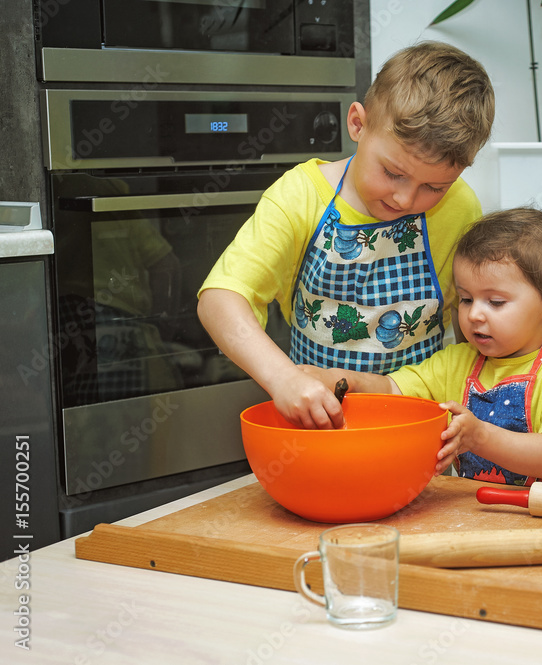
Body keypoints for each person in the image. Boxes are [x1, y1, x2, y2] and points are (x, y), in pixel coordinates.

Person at [197, 41, 495, 430]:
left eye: (433, 188)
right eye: (393, 172)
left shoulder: (460, 207)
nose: (406, 199)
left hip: (418, 424)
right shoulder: (300, 197)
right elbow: (220, 299)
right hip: (320, 424)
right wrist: (283, 378)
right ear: (358, 123)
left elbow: (471, 323)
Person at [302, 206, 542, 486]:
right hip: (483, 518)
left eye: (495, 302)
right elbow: (393, 389)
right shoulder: (456, 361)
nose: (474, 314)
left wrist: (480, 437)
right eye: (466, 299)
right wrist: (347, 380)